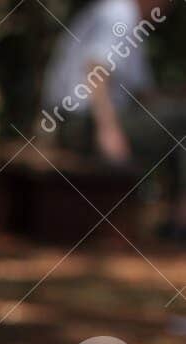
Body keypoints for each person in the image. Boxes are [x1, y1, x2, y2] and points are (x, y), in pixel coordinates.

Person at [41, 1, 186, 236]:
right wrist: (108, 131)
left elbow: (144, 96)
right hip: (81, 123)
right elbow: (95, 70)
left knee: (178, 118)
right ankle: (181, 219)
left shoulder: (130, 21)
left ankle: (177, 218)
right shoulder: (119, 13)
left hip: (86, 122)